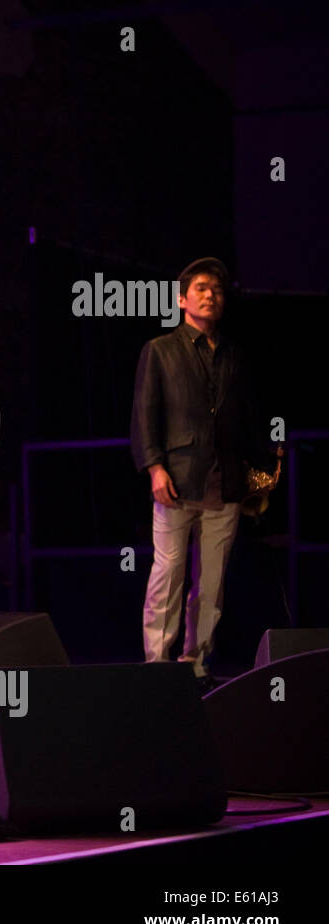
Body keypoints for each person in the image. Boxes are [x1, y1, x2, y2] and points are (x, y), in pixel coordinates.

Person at [130, 257, 274, 686]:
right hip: (177, 480)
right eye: (201, 289)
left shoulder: (233, 354)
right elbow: (143, 415)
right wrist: (155, 467)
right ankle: (157, 666)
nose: (211, 295)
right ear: (181, 300)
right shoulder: (160, 350)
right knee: (167, 576)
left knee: (211, 586)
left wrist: (261, 470)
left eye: (217, 290)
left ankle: (196, 664)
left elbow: (247, 418)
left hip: (224, 485)